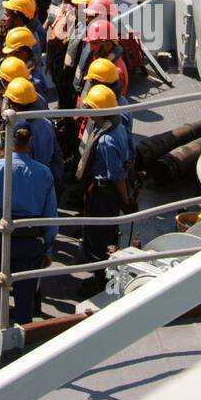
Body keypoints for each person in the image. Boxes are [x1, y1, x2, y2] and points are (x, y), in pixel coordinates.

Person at [0, 125, 57, 333]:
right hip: (30, 241)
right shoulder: (44, 173)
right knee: (25, 301)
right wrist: (48, 248)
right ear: (30, 143)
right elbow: (50, 217)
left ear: (7, 142)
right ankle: (21, 345)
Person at [77, 85, 132, 267]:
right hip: (108, 192)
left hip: (103, 193)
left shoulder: (105, 141)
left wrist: (126, 202)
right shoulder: (118, 127)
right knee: (108, 230)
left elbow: (116, 176)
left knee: (98, 234)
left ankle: (99, 275)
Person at [1, 76, 63, 187]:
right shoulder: (45, 123)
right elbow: (52, 156)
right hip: (45, 177)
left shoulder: (21, 129)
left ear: (13, 104)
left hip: (33, 181)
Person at [2, 26, 48, 106]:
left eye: (10, 53)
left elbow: (39, 111)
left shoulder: (33, 83)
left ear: (22, 53)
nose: (7, 57)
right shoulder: (20, 72)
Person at [1, 0, 46, 65]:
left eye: (7, 15)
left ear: (17, 18)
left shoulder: (22, 40)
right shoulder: (24, 32)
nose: (3, 18)